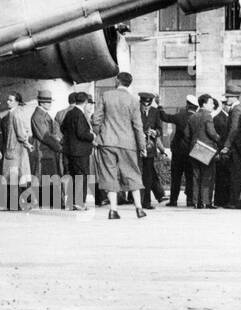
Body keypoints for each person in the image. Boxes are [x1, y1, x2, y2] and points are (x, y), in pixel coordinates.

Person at [93, 72, 148, 219]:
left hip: (107, 141)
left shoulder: (106, 95)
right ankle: (139, 208)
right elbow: (138, 126)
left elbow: (96, 119)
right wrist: (142, 146)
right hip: (127, 143)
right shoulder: (133, 100)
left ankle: (113, 210)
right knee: (132, 173)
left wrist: (98, 134)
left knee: (109, 174)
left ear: (117, 81)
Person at [59, 92, 94, 210]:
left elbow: (62, 127)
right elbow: (81, 133)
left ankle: (72, 202)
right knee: (82, 176)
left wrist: (70, 138)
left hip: (70, 150)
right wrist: (92, 136)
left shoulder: (70, 113)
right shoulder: (80, 114)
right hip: (80, 151)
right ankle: (79, 203)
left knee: (74, 176)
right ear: (85, 102)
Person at [161, 94, 198, 206]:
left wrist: (159, 107)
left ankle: (173, 200)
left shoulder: (180, 116)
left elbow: (165, 117)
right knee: (190, 177)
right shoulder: (197, 117)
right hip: (192, 152)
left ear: (187, 105)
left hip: (178, 152)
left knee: (176, 177)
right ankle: (190, 200)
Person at [30, 90, 63, 209]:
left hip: (47, 150)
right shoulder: (38, 116)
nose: (50, 104)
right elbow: (45, 136)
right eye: (48, 102)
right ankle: (47, 201)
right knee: (45, 176)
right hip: (43, 151)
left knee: (48, 176)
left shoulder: (43, 114)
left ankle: (49, 201)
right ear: (42, 103)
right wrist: (59, 147)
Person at [1, 92, 33, 211]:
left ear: (17, 102)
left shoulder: (15, 114)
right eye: (8, 100)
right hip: (14, 150)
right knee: (15, 176)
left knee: (14, 176)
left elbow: (20, 133)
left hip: (15, 150)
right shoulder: (14, 113)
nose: (7, 102)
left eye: (10, 100)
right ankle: (16, 204)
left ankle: (14, 204)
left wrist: (26, 143)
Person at [218, 87, 241, 208]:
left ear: (235, 97)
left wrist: (226, 146)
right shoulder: (239, 108)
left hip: (236, 146)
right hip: (240, 146)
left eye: (228, 97)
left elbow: (234, 129)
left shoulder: (236, 110)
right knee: (238, 173)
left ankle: (236, 201)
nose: (226, 99)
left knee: (236, 174)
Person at [189, 94, 221, 208]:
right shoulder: (207, 116)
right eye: (211, 103)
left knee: (196, 176)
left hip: (194, 147)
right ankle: (206, 201)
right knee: (207, 176)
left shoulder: (193, 116)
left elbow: (187, 134)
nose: (213, 105)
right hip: (206, 148)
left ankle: (196, 201)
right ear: (204, 104)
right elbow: (211, 132)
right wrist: (219, 139)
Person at [137, 92, 166, 209]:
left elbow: (160, 129)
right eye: (144, 104)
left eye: (148, 105)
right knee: (138, 173)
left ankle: (146, 201)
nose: (146, 107)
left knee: (148, 175)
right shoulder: (135, 111)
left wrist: (155, 132)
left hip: (150, 147)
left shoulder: (155, 112)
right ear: (140, 102)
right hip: (137, 147)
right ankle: (156, 195)